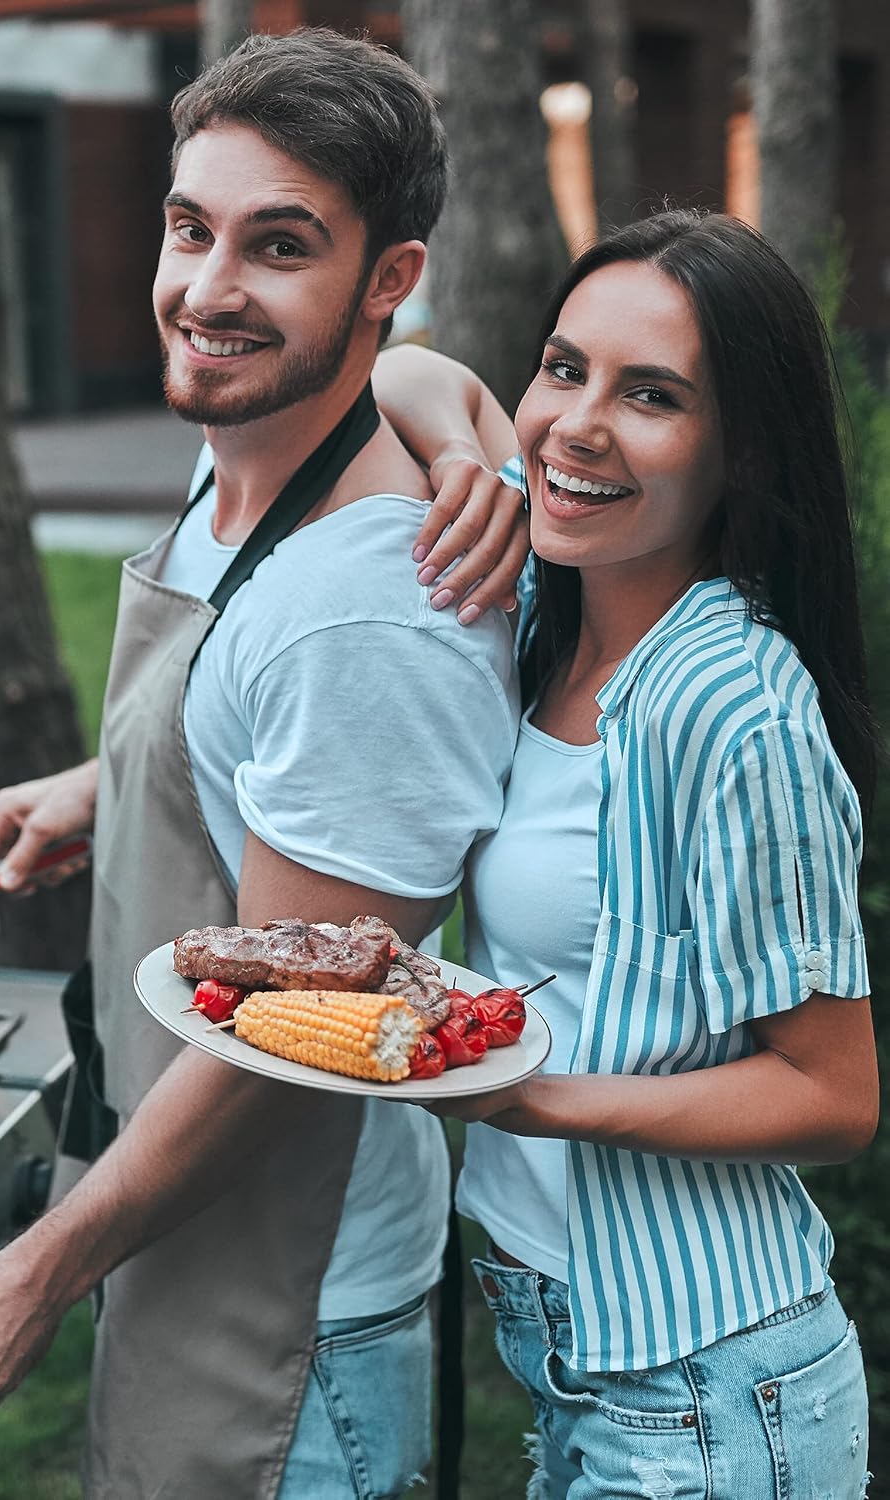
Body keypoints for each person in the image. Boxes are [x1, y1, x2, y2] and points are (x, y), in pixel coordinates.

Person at [0, 29, 529, 1499]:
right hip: (182, 1221)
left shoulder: (368, 612)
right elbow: (242, 716)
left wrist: (38, 1273)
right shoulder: (256, 431)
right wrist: (121, 780)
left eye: (278, 245)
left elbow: (286, 1052)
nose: (207, 290)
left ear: (388, 280)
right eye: (190, 227)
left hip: (291, 1305)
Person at [392, 208, 878, 1498]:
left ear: (741, 450)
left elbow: (833, 1096)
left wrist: (523, 1096)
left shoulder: (731, 705)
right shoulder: (547, 599)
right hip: (579, 1355)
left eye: (651, 395)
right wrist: (464, 444)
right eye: (562, 369)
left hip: (708, 1388)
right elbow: (400, 371)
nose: (575, 427)